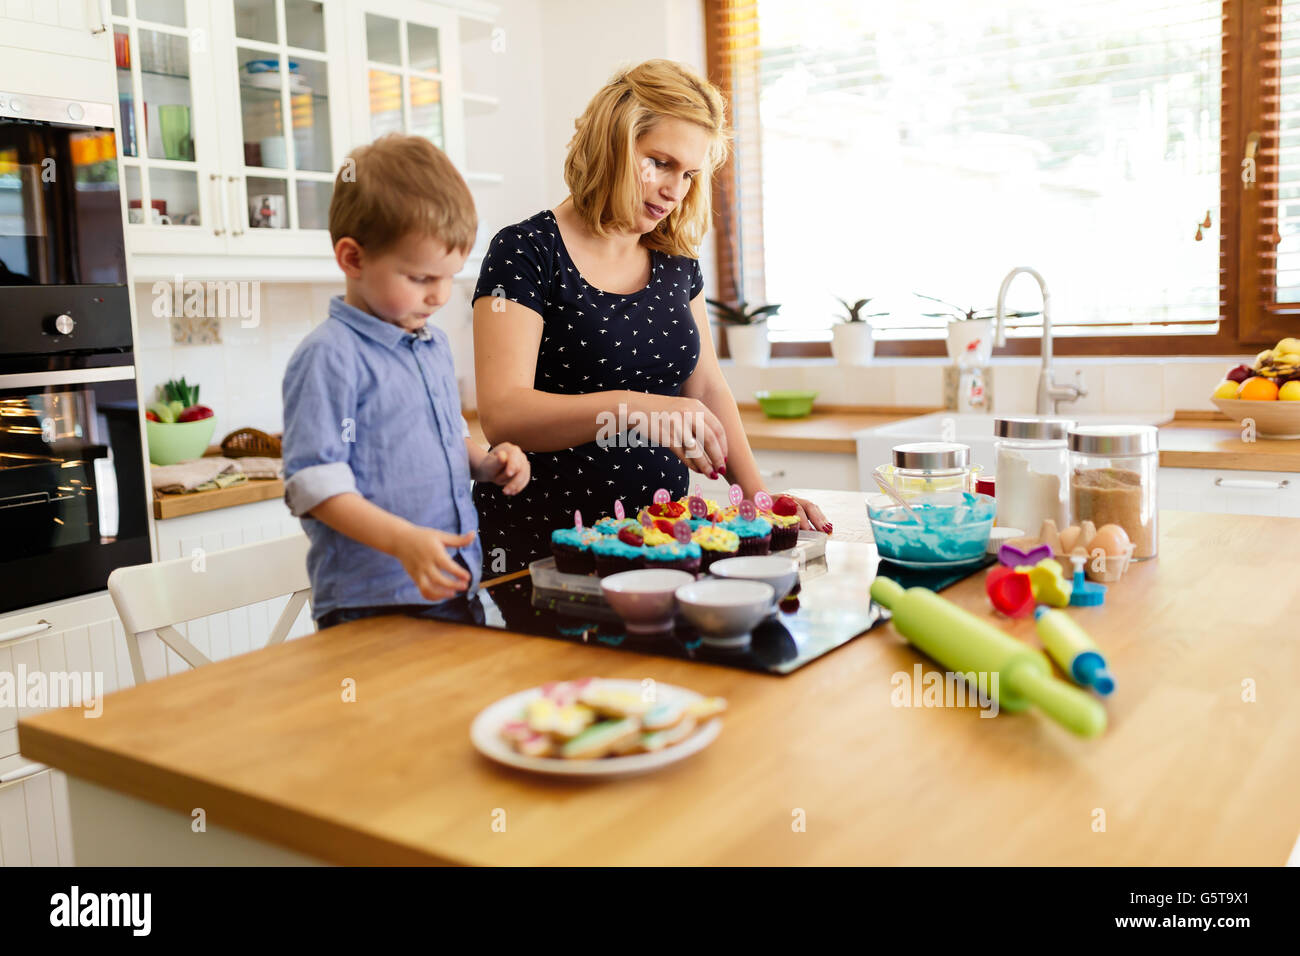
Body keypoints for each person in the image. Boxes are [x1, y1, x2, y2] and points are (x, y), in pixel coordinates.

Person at [471, 59, 828, 575]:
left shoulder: (676, 262)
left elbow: (705, 387)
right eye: (659, 162)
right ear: (612, 142)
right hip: (544, 547)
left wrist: (762, 499)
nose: (674, 190)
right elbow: (504, 415)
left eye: (688, 174)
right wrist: (643, 410)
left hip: (659, 540)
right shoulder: (526, 250)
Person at [282, 134, 529, 629]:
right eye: (420, 278)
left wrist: (484, 463)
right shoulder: (330, 356)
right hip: (371, 602)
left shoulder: (432, 345)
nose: (439, 296)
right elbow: (313, 486)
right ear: (353, 259)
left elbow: (446, 437)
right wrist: (402, 540)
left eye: (450, 277)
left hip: (455, 587)